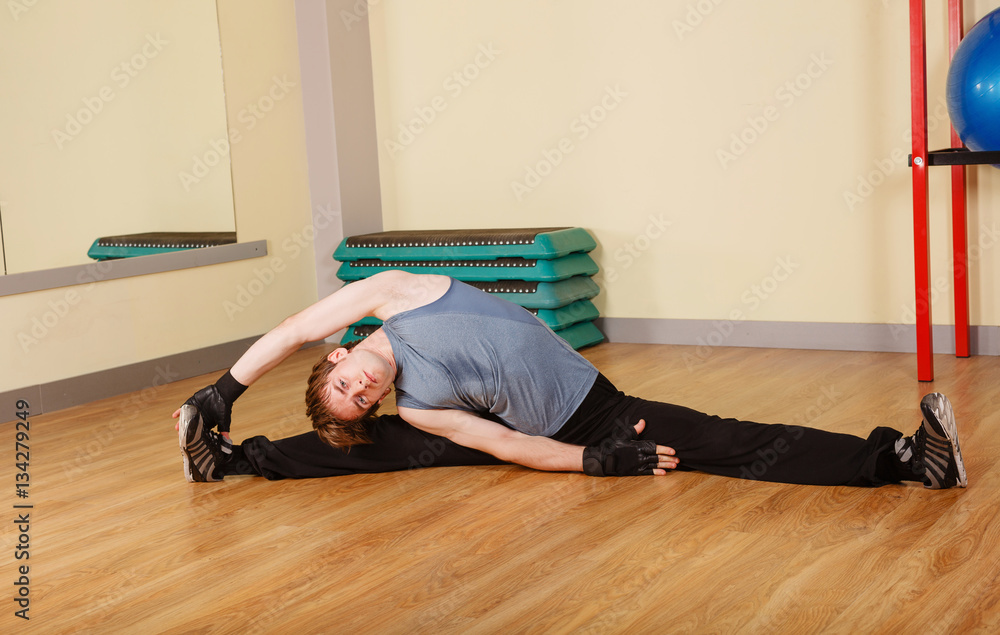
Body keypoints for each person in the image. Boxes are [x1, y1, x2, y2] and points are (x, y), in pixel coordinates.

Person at [173, 270, 968, 490]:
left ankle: (232, 447)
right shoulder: (418, 402)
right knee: (732, 441)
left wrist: (224, 391)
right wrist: (597, 462)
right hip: (584, 428)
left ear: (340, 357)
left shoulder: (389, 292)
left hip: (597, 397)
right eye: (358, 401)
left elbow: (289, 329)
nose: (364, 392)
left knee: (730, 437)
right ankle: (902, 459)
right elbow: (511, 444)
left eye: (347, 384)